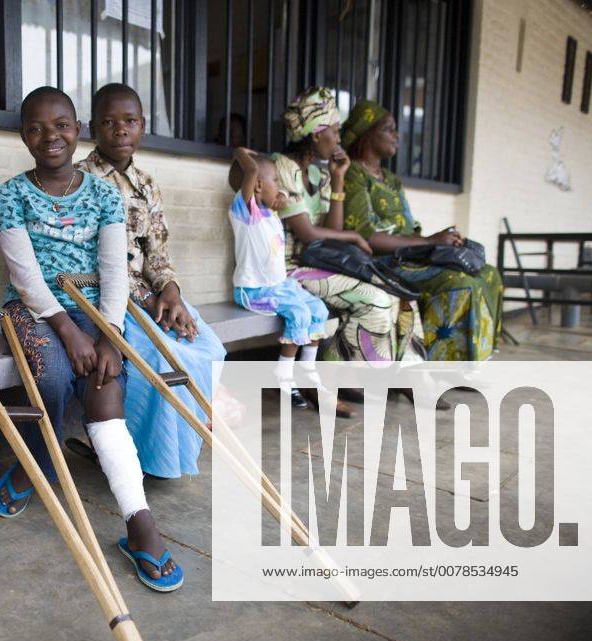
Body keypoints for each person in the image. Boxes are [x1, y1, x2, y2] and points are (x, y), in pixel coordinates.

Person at [0, 86, 183, 592]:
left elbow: (115, 270)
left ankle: (140, 526)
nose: (50, 136)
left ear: (77, 130)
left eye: (61, 126)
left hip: (96, 309)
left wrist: (109, 335)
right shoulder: (11, 193)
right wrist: (68, 330)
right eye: (36, 127)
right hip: (35, 309)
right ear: (23, 136)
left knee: (105, 384)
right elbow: (26, 275)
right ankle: (37, 462)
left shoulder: (103, 194)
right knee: (53, 375)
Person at [76, 83, 227, 479]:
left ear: (143, 126)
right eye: (109, 122)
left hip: (147, 293)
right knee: (161, 358)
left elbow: (157, 252)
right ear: (93, 128)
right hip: (104, 297)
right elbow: (77, 255)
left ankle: (177, 443)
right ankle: (143, 457)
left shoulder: (147, 184)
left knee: (207, 346)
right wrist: (134, 297)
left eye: (130, 121)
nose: (120, 130)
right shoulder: (79, 179)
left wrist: (170, 292)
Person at [273, 87, 426, 365]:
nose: (339, 139)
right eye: (335, 131)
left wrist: (338, 179)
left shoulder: (319, 174)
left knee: (395, 293)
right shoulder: (283, 167)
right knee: (375, 300)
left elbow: (333, 229)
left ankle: (403, 372)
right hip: (289, 272)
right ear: (317, 134)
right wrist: (354, 237)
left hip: (317, 265)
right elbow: (307, 233)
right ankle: (343, 374)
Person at [342, 100, 503, 361]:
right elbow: (365, 236)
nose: (397, 135)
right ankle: (439, 364)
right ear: (367, 133)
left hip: (410, 255)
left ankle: (473, 363)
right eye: (389, 129)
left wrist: (440, 240)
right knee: (459, 283)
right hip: (381, 262)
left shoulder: (390, 179)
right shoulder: (353, 175)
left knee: (488, 274)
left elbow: (409, 227)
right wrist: (427, 241)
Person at [228, 147, 354, 418]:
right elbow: (251, 170)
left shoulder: (269, 213)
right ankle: (283, 373)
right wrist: (240, 151)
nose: (280, 188)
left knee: (318, 309)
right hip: (254, 290)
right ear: (258, 185)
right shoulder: (244, 212)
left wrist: (279, 196)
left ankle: (307, 370)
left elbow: (276, 196)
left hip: (280, 285)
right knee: (299, 313)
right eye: (275, 180)